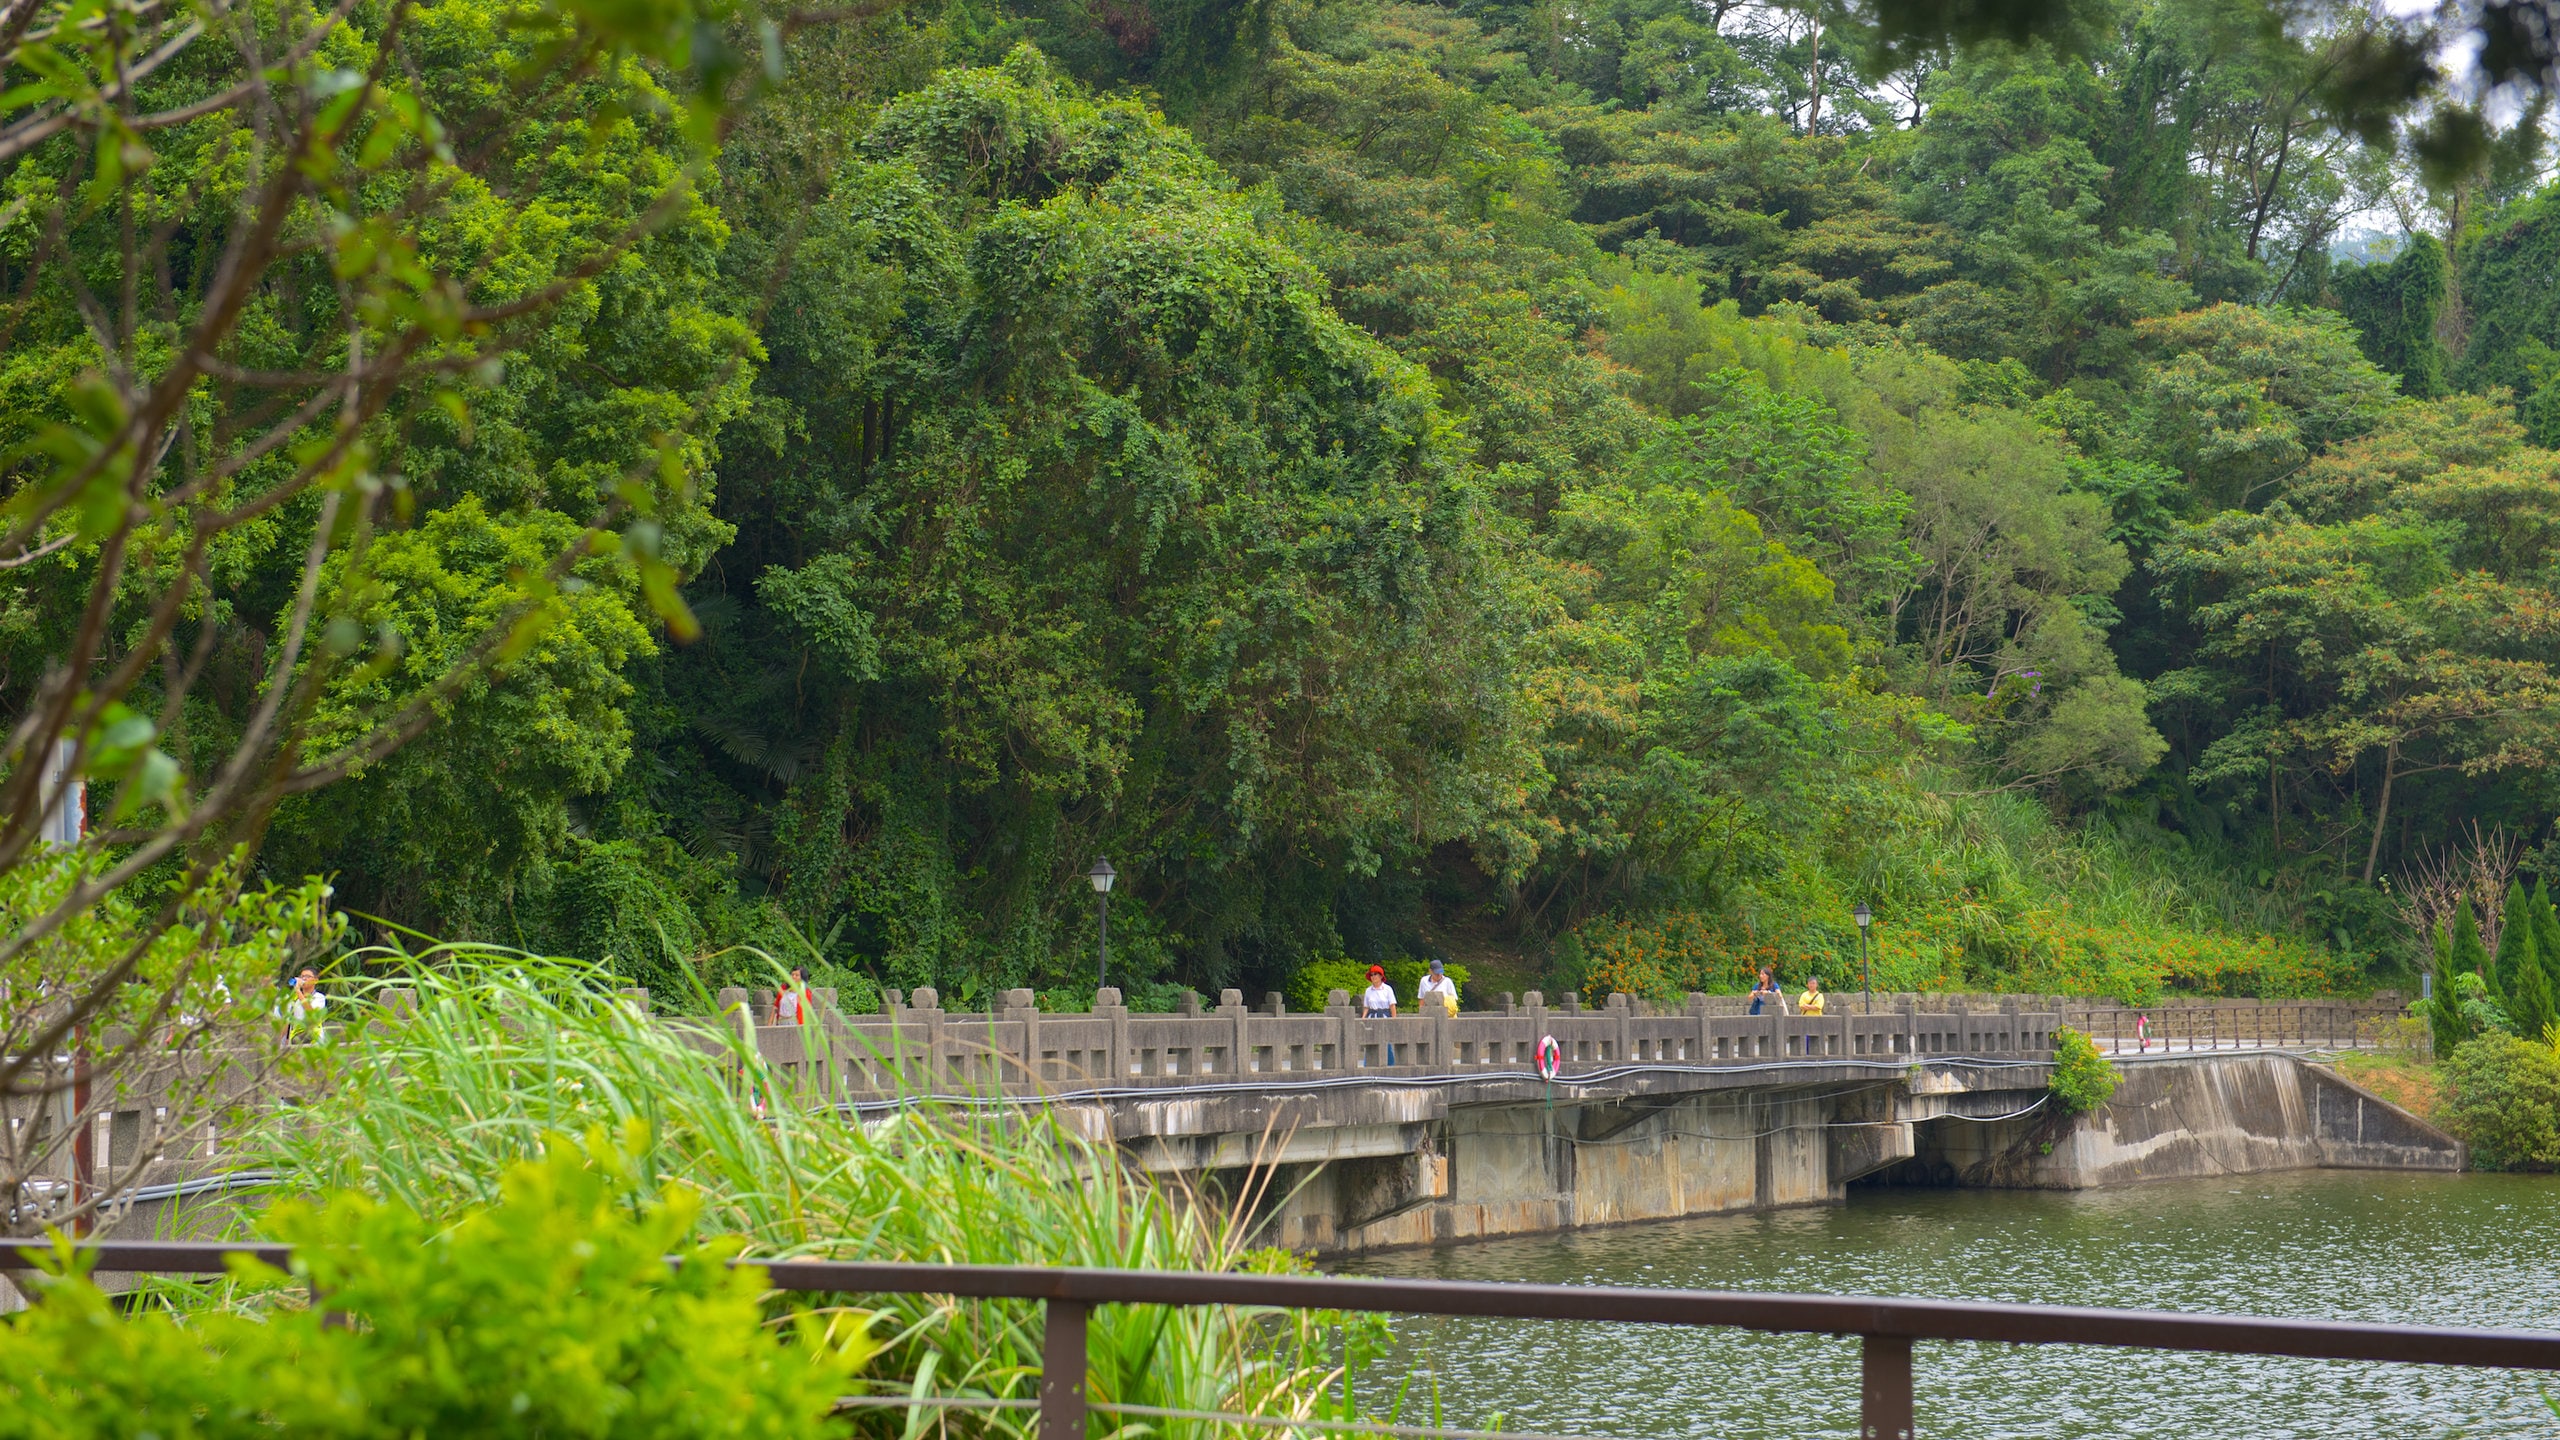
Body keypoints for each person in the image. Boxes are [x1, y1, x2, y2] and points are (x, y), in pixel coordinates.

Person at [1361, 964, 1399, 1064]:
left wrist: (1394, 1019)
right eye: (1372, 975)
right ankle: (1368, 1063)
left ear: (1381, 976)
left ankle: (1390, 1064)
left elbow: (1392, 1006)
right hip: (1372, 1016)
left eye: (1375, 974)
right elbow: (1366, 1007)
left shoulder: (1387, 989)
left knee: (1386, 1040)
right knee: (1370, 1040)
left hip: (1384, 1016)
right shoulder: (1368, 990)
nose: (1373, 977)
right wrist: (1363, 1018)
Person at [283, 968, 327, 1038]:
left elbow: (311, 1013)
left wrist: (298, 991)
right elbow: (288, 1021)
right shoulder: (294, 998)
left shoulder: (319, 997)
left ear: (315, 980)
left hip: (313, 1039)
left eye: (308, 976)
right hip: (296, 1039)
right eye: (302, 976)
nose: (304, 979)